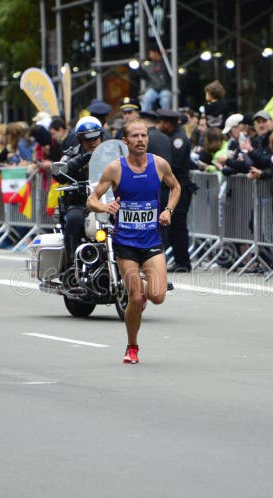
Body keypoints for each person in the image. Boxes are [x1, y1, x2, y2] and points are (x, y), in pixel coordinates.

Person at [86, 119, 180, 364]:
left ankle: (144, 288)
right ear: (125, 141)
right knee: (135, 298)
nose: (140, 140)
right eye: (135, 136)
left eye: (144, 136)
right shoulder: (115, 169)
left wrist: (168, 210)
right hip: (125, 242)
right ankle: (132, 347)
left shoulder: (159, 164)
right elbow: (91, 200)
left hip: (151, 239)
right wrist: (105, 207)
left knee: (157, 296)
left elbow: (175, 187)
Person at [53, 116, 104, 264]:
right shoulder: (71, 154)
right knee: (74, 221)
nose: (92, 142)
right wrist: (82, 158)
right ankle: (72, 263)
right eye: (87, 139)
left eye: (95, 138)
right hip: (80, 203)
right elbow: (58, 174)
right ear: (80, 140)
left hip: (108, 202)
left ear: (101, 136)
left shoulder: (112, 153)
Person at [156, 108, 194, 272]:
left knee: (178, 226)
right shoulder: (170, 137)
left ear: (169, 123)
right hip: (173, 187)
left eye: (162, 122)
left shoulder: (178, 139)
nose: (160, 125)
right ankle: (179, 260)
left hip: (180, 188)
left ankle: (183, 262)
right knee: (172, 227)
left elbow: (175, 165)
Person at [139, 46, 172, 111]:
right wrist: (138, 69)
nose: (149, 55)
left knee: (165, 100)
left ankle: (165, 116)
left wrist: (166, 56)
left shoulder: (165, 61)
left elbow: (171, 64)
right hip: (154, 89)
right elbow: (144, 75)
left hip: (166, 88)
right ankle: (146, 115)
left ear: (156, 53)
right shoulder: (150, 65)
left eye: (151, 53)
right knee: (146, 99)